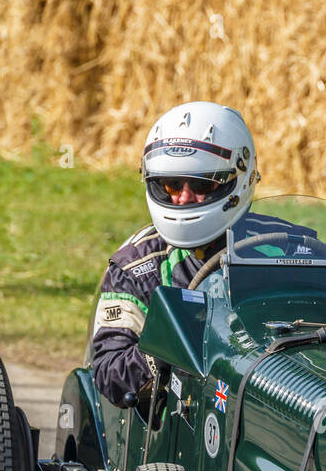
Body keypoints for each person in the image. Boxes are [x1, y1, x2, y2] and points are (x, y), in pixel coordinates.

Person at [90, 100, 297, 406]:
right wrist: (168, 343)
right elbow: (111, 375)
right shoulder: (134, 267)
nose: (184, 198)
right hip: (176, 425)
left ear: (238, 179)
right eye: (171, 185)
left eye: (201, 183)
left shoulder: (288, 247)